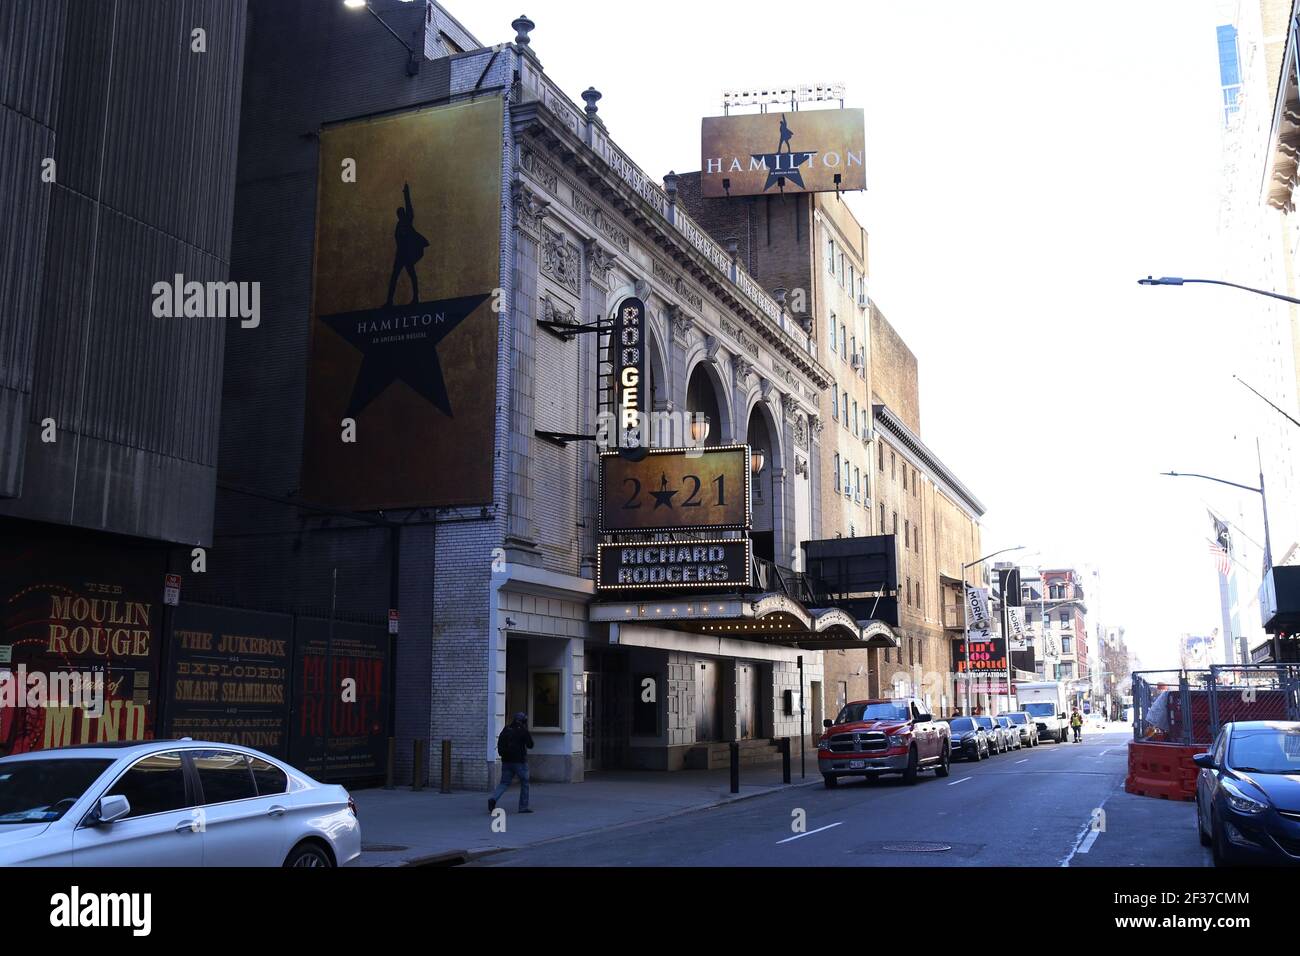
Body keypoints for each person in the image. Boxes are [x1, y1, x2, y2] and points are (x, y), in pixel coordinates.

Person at [489, 712, 535, 814]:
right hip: (519, 762)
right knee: (525, 783)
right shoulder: (523, 730)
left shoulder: (506, 729)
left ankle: (493, 798)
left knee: (504, 783)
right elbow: (530, 744)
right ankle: (523, 807)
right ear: (523, 721)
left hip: (506, 761)